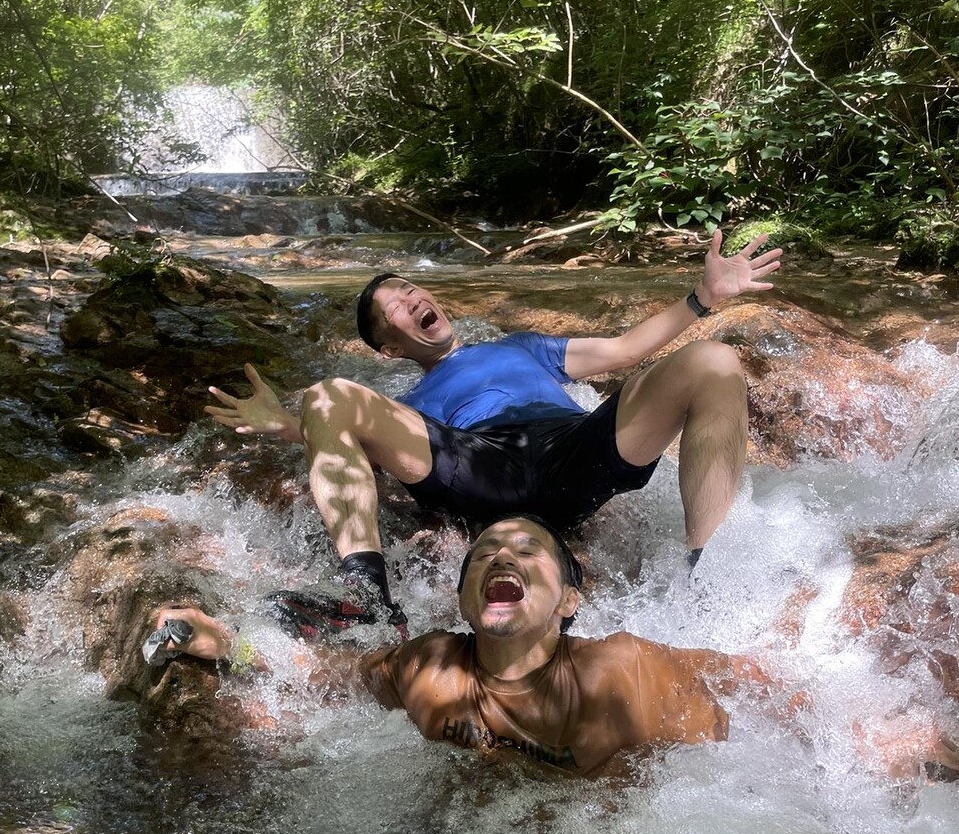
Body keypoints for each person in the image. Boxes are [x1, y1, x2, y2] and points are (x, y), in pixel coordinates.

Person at [204, 230, 782, 633]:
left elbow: (627, 349)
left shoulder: (524, 346)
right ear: (388, 346)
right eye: (396, 309)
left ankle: (699, 571)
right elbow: (340, 432)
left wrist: (703, 299)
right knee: (329, 393)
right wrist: (287, 423)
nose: (411, 300)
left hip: (570, 451)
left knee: (715, 361)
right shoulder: (407, 402)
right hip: (476, 463)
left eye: (410, 289)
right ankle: (368, 598)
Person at [143, 514, 783, 778]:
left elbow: (725, 769)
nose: (503, 553)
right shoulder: (430, 669)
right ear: (465, 603)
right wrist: (229, 643)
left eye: (530, 550)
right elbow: (325, 675)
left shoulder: (628, 677)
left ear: (568, 601)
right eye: (485, 554)